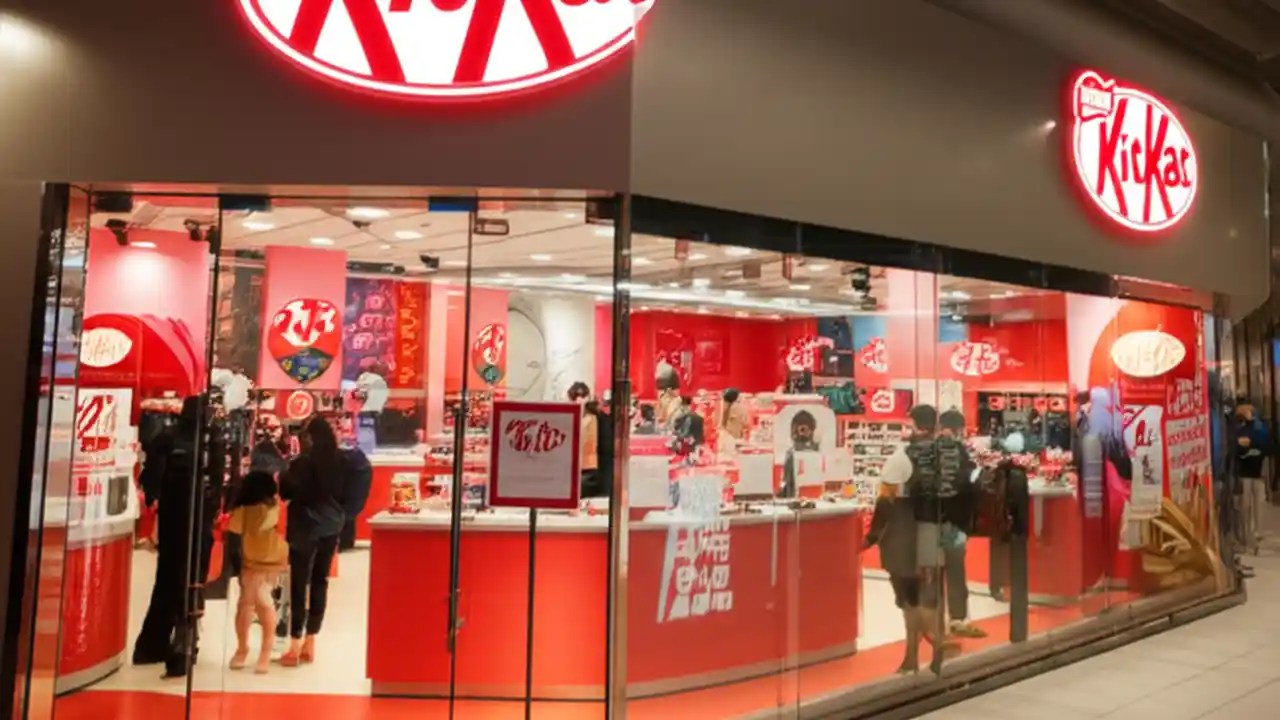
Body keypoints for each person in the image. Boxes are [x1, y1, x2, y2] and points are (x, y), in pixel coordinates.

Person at [133, 395, 223, 678]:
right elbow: (218, 483)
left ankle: (156, 645)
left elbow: (149, 478)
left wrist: (155, 500)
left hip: (175, 523)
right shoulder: (209, 442)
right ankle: (182, 647)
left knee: (169, 582)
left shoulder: (170, 437)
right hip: (195, 524)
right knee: (191, 583)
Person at [880, 404, 962, 672]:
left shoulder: (902, 457)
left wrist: (872, 535)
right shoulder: (945, 455)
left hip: (908, 535)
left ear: (912, 424)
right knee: (930, 595)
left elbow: (886, 498)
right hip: (938, 533)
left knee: (910, 599)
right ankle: (926, 654)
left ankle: (926, 649)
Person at [279, 416, 346, 666]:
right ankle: (311, 640)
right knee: (320, 581)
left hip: (304, 527)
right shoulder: (341, 461)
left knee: (299, 582)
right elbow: (346, 494)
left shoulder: (302, 463)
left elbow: (286, 491)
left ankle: (294, 643)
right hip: (330, 526)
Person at [226, 470, 288, 674]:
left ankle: (246, 650)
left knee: (250, 602)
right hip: (265, 560)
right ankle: (260, 652)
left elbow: (233, 527)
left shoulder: (249, 510)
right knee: (258, 602)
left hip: (260, 561)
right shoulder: (274, 508)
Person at [937, 410, 985, 638]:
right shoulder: (958, 452)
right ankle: (957, 619)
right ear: (957, 429)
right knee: (955, 571)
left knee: (932, 574)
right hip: (954, 520)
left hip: (930, 521)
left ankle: (933, 623)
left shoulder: (924, 451)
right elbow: (968, 485)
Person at [1235, 397, 1270, 554]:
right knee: (1246, 506)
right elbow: (1236, 443)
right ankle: (1248, 535)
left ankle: (1255, 536)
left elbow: (1264, 441)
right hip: (1245, 472)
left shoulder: (1258, 426)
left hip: (1255, 471)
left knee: (1255, 505)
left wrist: (1248, 442)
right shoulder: (1238, 426)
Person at [569, 382, 614, 499]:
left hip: (593, 473)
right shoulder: (568, 419)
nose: (578, 400)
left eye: (581, 396)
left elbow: (607, 449)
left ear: (588, 397)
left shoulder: (600, 420)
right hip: (577, 472)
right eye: (574, 396)